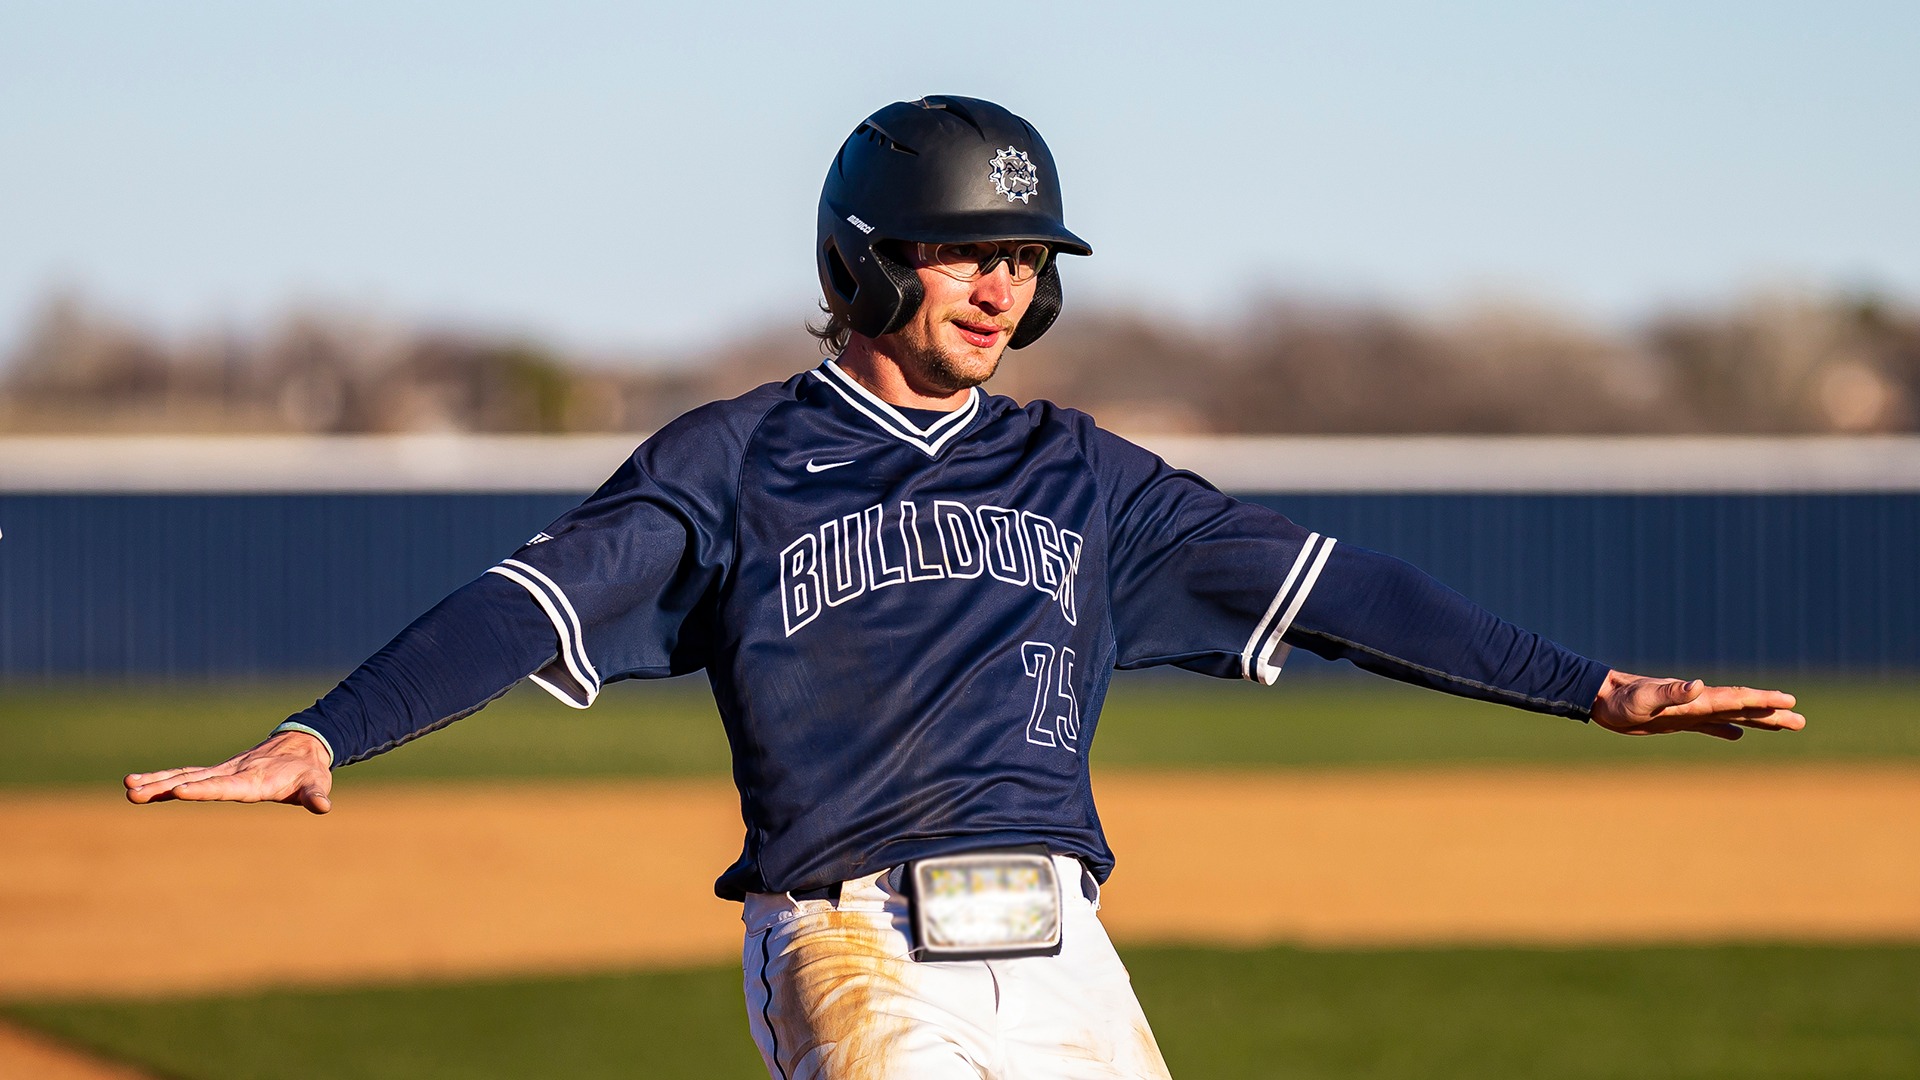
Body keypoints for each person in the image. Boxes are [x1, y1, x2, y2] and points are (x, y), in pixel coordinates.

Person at [125, 96, 1804, 1079]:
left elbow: (1345, 585)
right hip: (855, 948)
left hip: (1065, 945)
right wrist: (321, 731)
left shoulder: (1087, 479)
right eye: (963, 251)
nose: (1001, 286)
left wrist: (1597, 688)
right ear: (864, 258)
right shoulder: (733, 462)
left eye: (1023, 260)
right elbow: (527, 604)